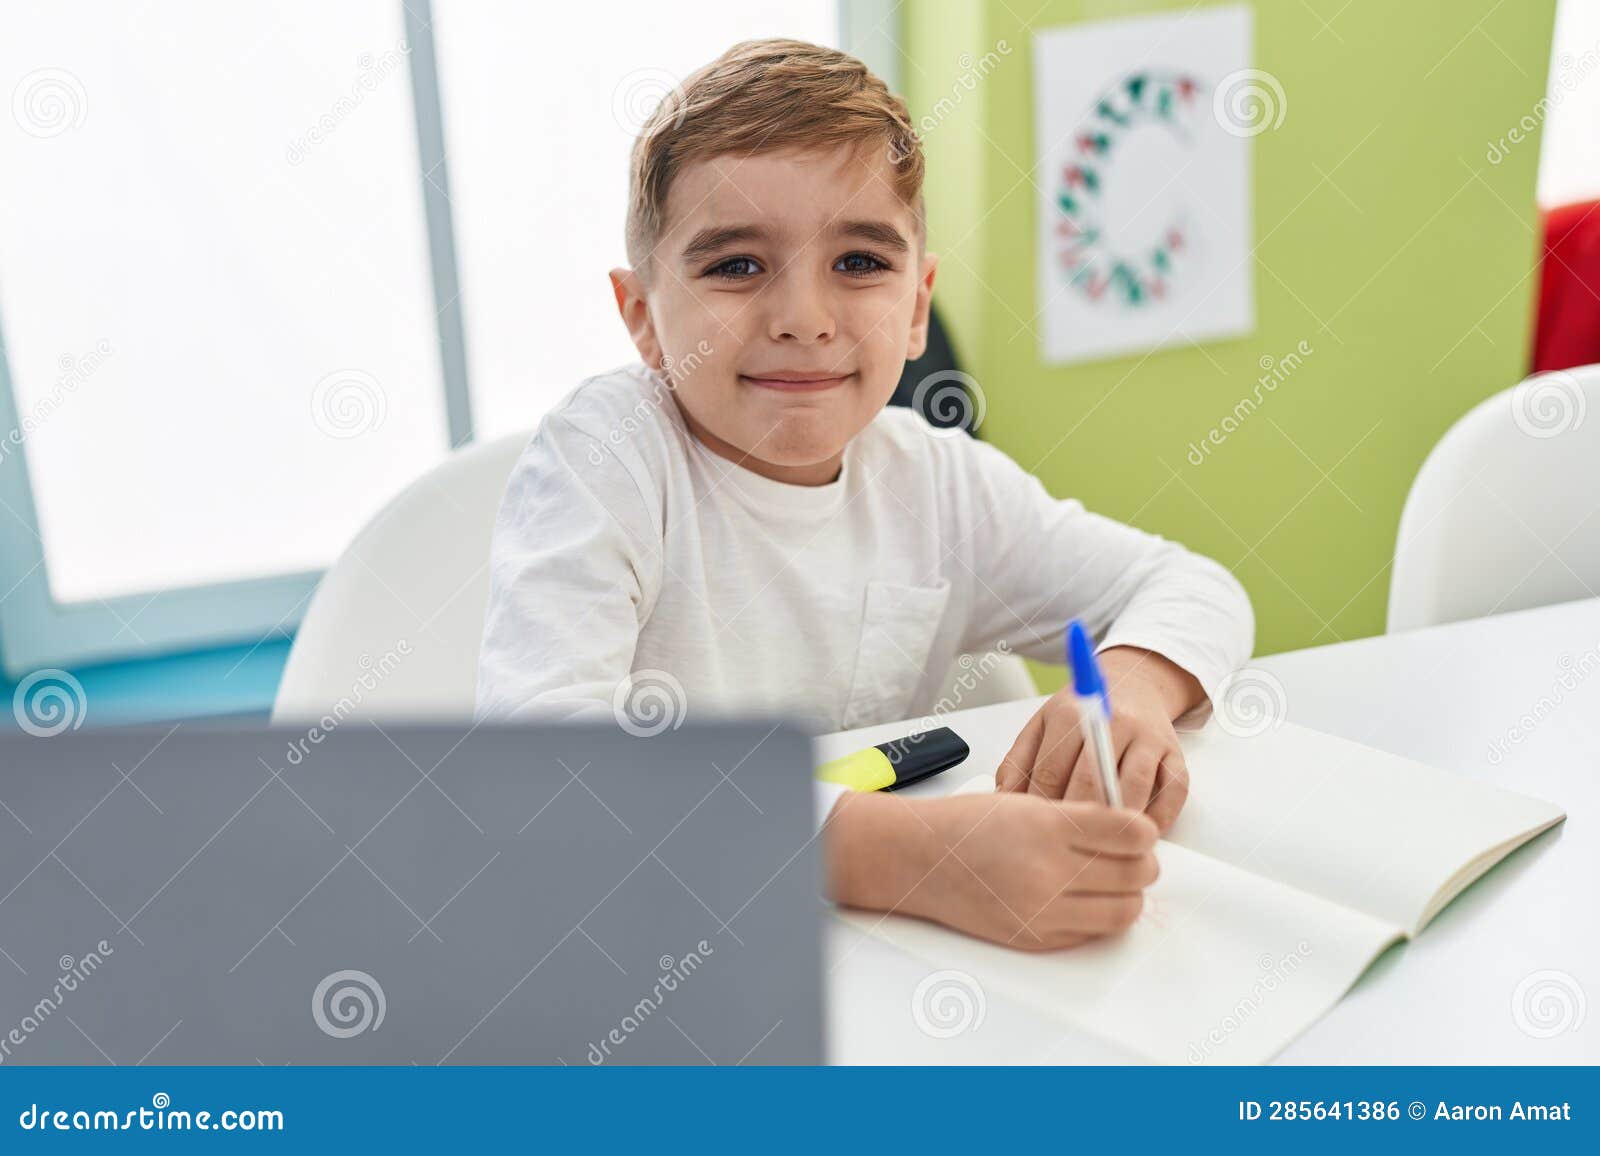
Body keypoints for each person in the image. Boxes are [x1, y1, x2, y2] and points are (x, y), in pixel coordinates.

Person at [477, 39, 1253, 950]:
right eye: (735, 265)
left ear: (918, 306)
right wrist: (906, 858)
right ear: (643, 316)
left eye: (858, 263)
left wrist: (1131, 689)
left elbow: (1194, 586)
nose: (804, 317)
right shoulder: (608, 454)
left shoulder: (936, 478)